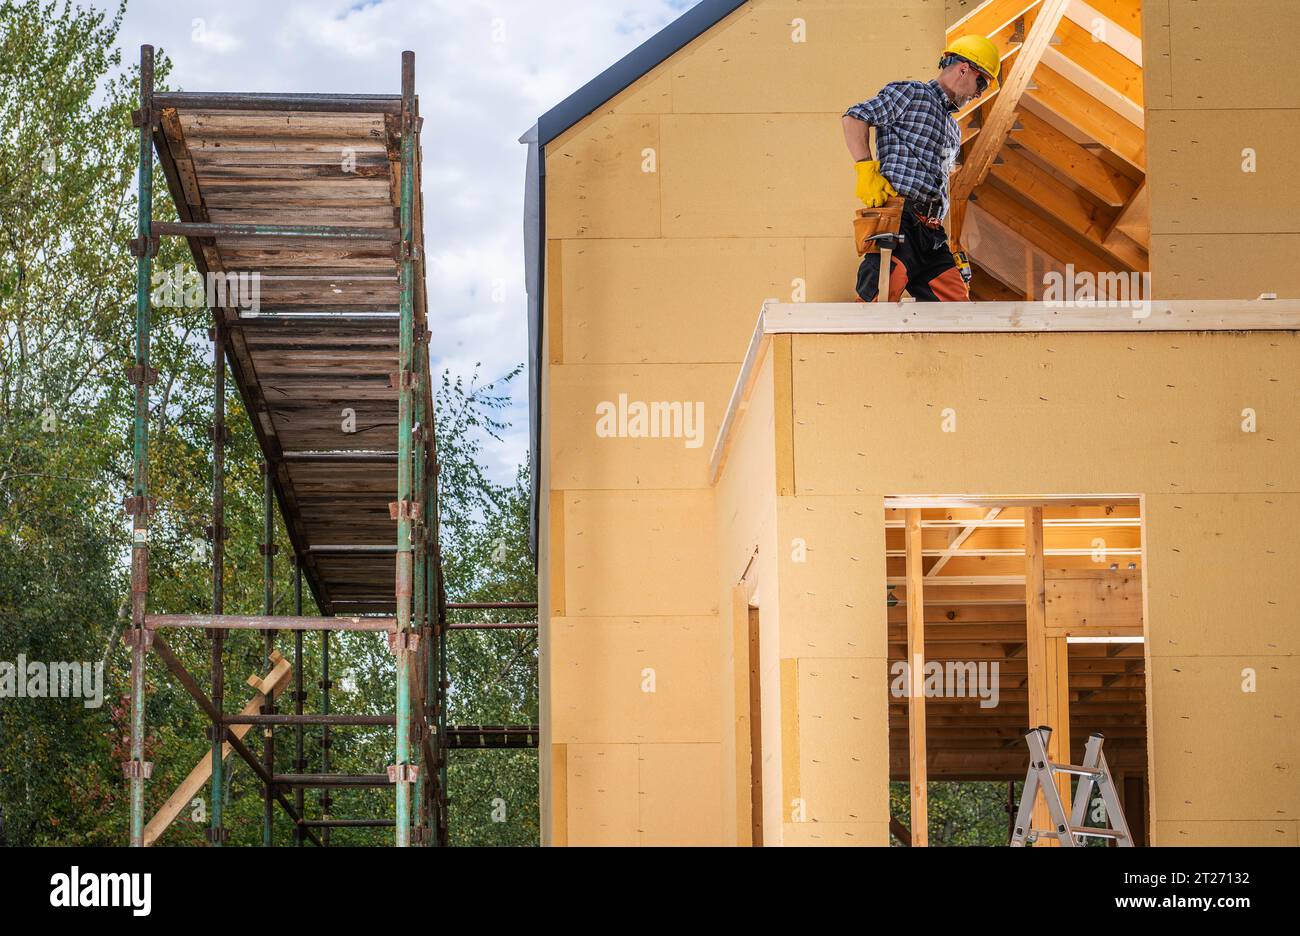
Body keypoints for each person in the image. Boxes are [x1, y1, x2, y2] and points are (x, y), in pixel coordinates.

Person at [841, 35, 1000, 302]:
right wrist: (865, 169)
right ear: (964, 69)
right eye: (981, 83)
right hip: (900, 221)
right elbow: (854, 117)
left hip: (933, 234)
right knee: (875, 306)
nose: (978, 94)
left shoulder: (952, 128)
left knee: (958, 313)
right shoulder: (912, 94)